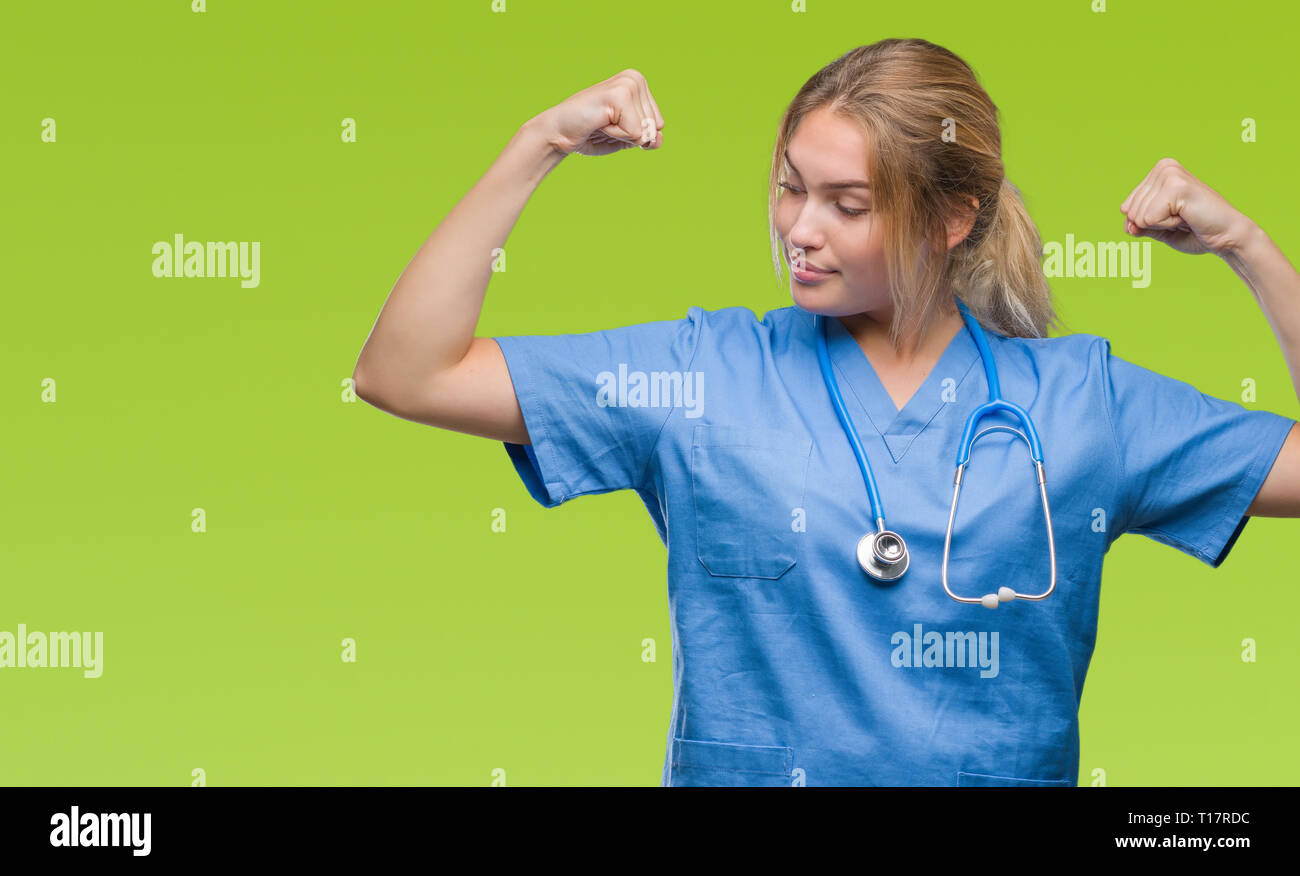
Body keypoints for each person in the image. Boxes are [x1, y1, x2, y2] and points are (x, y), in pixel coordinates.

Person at [351, 39, 1300, 787]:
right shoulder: (701, 376)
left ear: (950, 219)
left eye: (847, 204)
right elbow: (407, 373)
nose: (799, 229)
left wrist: (1251, 250)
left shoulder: (1084, 405)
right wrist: (540, 142)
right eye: (790, 187)